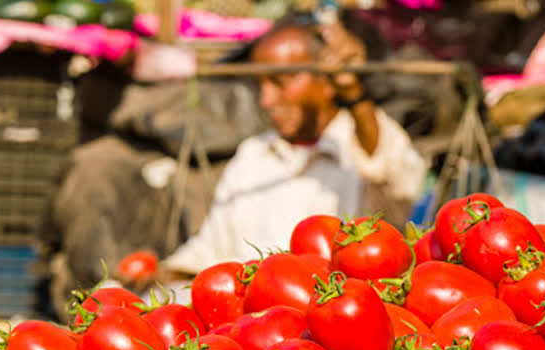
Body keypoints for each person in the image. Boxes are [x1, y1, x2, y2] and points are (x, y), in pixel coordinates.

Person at [158, 17, 428, 278]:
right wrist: (161, 274)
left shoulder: (358, 145)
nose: (266, 100)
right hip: (256, 322)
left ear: (325, 82)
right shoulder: (253, 155)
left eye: (279, 82)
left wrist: (354, 94)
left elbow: (394, 174)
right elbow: (212, 249)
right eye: (260, 85)